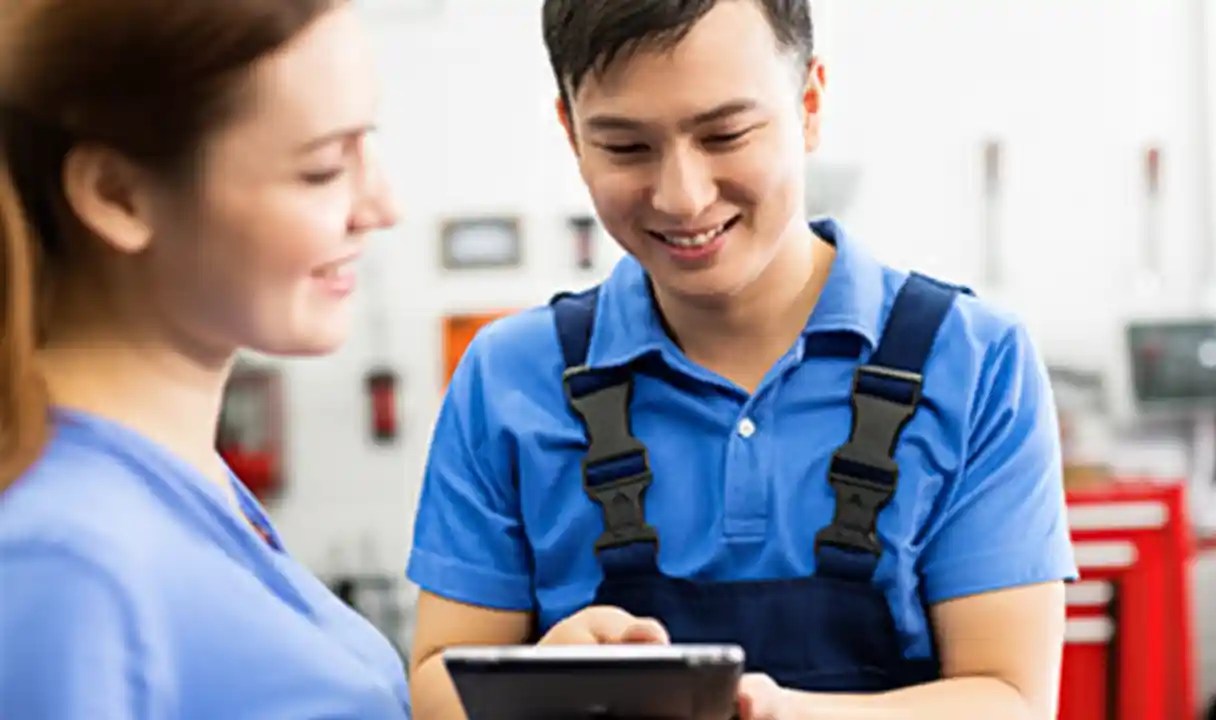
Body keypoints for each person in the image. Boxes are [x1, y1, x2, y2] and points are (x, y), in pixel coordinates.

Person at [406, 1, 1078, 718]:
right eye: (627, 148)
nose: (682, 196)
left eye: (725, 134)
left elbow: (1011, 698)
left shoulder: (975, 363)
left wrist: (780, 713)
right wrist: (547, 680)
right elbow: (435, 683)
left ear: (810, 105)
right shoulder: (508, 377)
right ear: (572, 133)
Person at [0, 1, 407, 718]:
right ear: (117, 195)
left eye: (366, 147)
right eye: (321, 170)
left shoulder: (185, 482)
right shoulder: (64, 562)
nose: (381, 206)